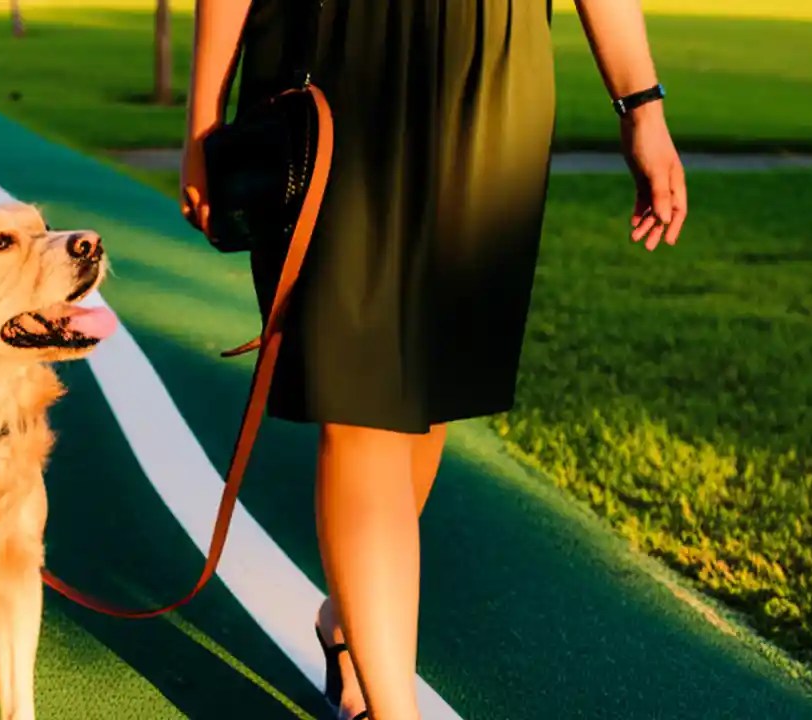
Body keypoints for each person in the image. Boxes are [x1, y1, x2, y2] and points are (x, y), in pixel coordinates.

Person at [180, 0, 687, 717]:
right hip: (331, 66)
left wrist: (641, 104)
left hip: (490, 68)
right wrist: (203, 118)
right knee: (361, 401)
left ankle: (351, 623)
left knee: (425, 395)